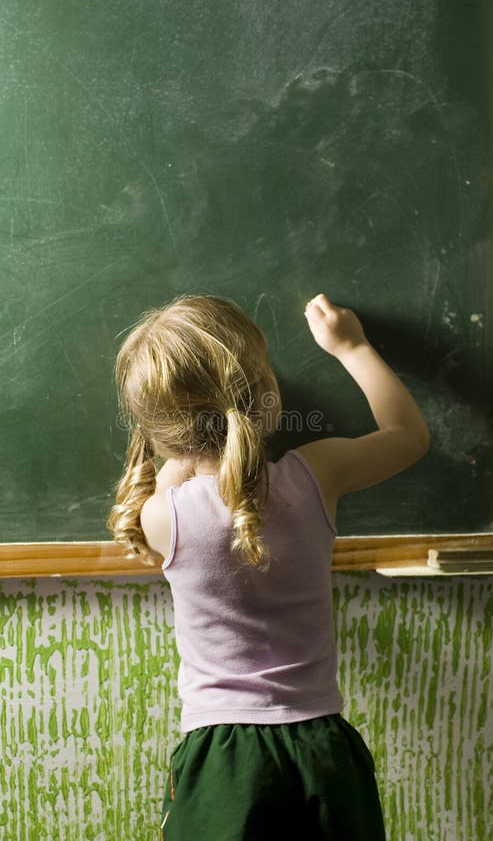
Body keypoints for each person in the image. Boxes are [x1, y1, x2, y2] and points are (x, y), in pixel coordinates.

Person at [108, 293, 430, 839]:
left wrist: (185, 445)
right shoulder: (315, 475)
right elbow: (408, 437)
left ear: (159, 430)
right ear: (267, 397)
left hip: (222, 760)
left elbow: (173, 473)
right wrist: (350, 347)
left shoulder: (165, 517)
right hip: (322, 750)